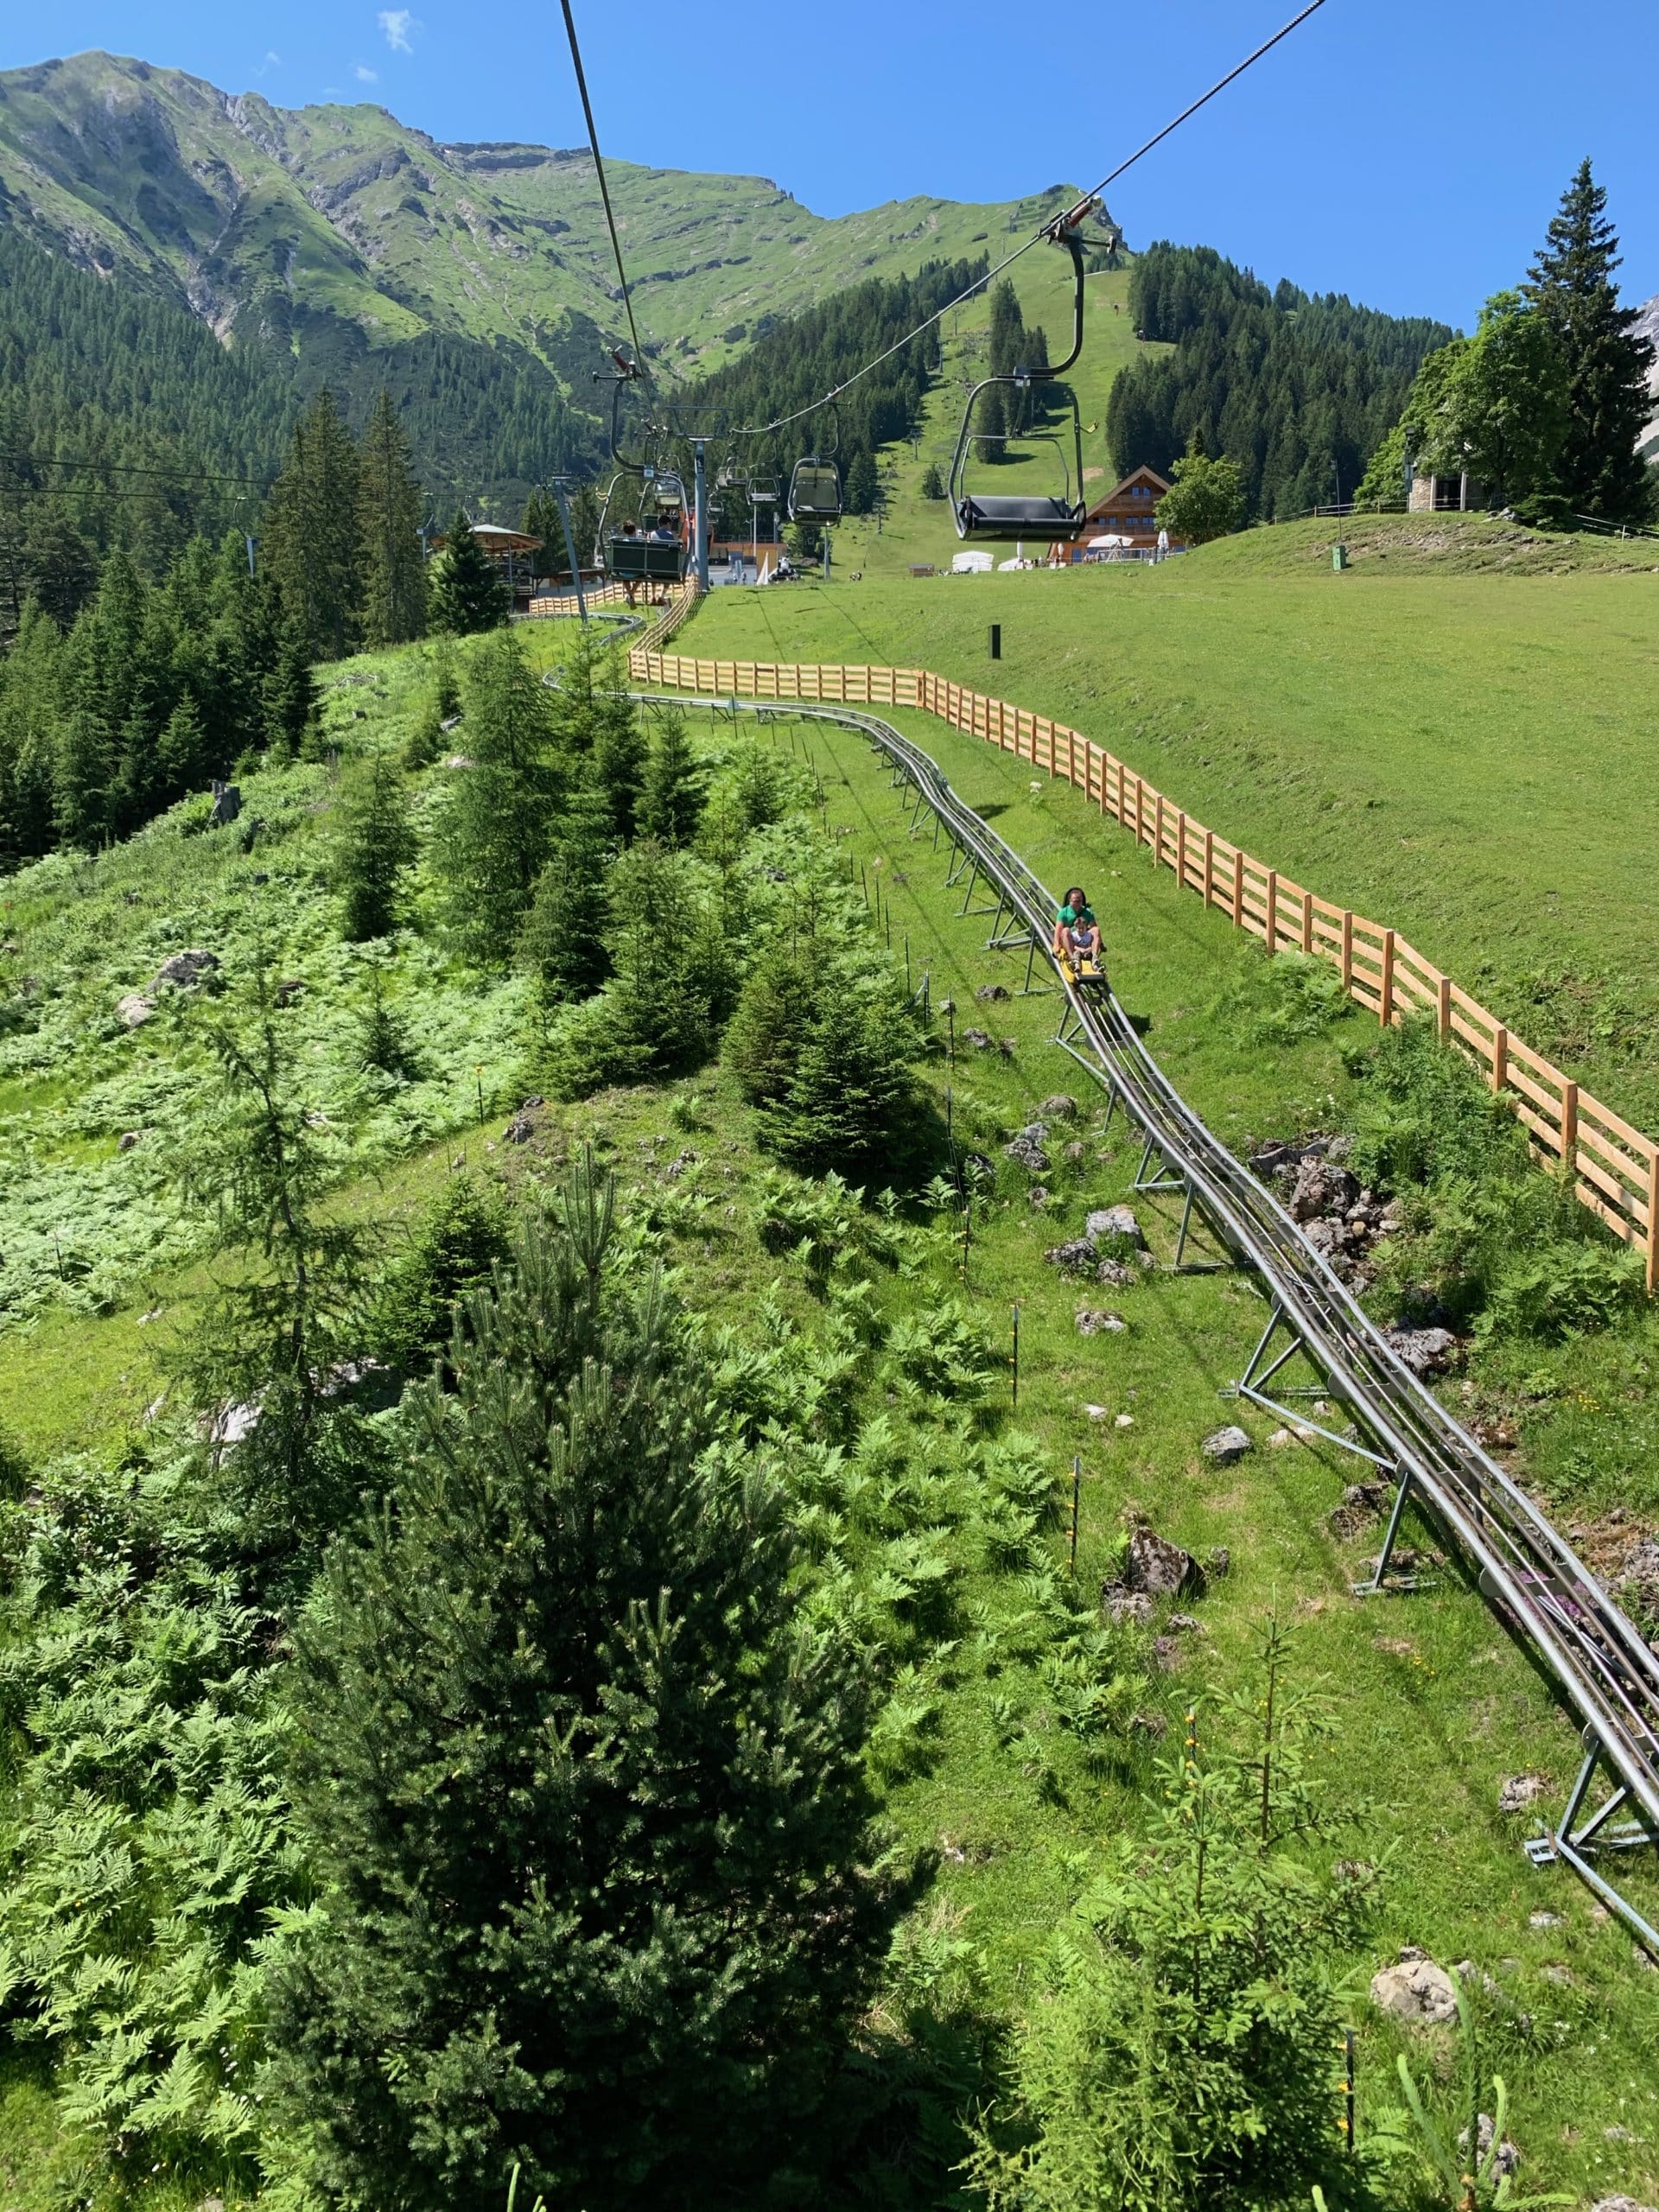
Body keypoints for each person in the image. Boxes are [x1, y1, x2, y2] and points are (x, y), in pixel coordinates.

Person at [1053, 885, 1102, 972]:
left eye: (1079, 901)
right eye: (1075, 901)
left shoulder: (1087, 912)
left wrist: (1100, 943)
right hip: (1071, 939)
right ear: (1070, 901)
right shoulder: (1063, 913)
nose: (1078, 903)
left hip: (1084, 937)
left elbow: (1094, 927)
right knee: (1065, 930)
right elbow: (1058, 930)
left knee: (1096, 929)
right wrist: (1056, 944)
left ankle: (1094, 957)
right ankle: (1073, 958)